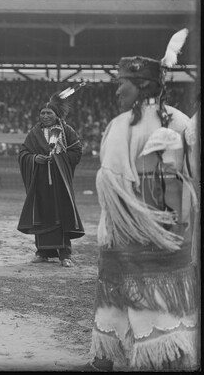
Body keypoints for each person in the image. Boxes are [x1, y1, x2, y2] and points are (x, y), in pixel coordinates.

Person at [88, 29, 199, 371]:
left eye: (125, 82)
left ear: (144, 86)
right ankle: (158, 356)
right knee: (161, 311)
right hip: (171, 236)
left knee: (125, 305)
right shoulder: (181, 120)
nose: (118, 88)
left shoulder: (121, 126)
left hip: (130, 241)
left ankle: (119, 359)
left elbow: (110, 185)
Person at [17, 86, 85, 267]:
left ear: (56, 115)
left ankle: (65, 254)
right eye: (42, 113)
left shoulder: (67, 131)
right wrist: (34, 159)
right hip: (40, 182)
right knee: (42, 214)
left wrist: (59, 159)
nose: (45, 116)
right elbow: (23, 153)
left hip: (59, 181)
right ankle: (42, 252)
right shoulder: (34, 132)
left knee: (60, 215)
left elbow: (77, 151)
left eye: (49, 113)